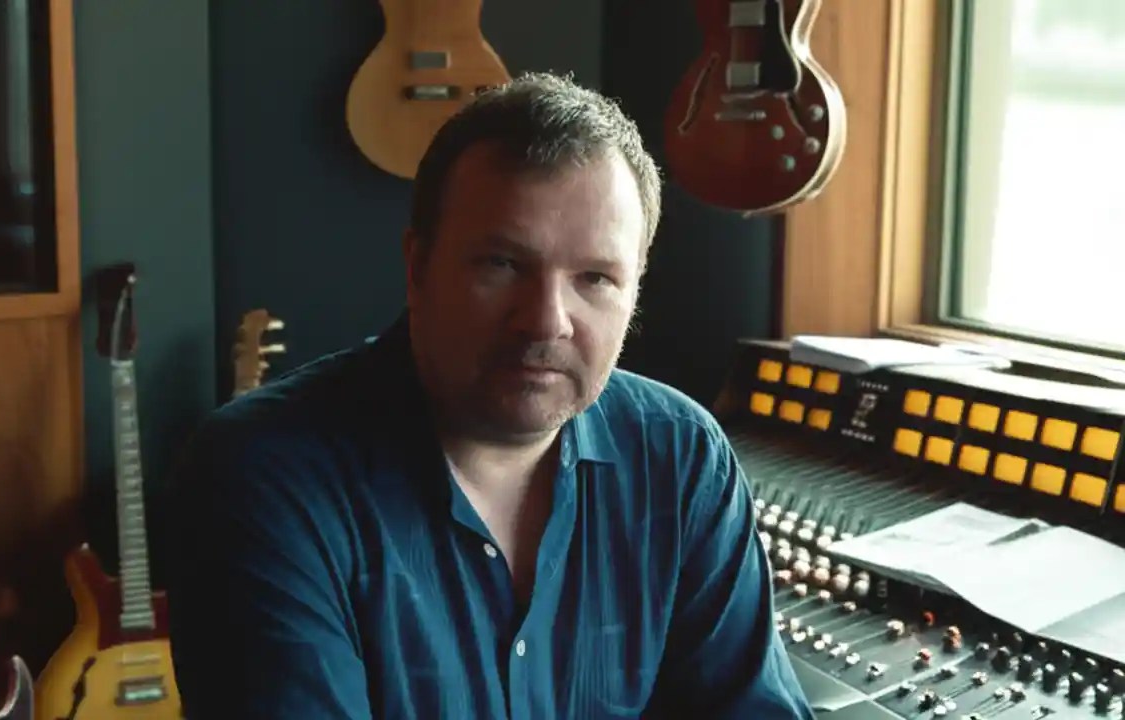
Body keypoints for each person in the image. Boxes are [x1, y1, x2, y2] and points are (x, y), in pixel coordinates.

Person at [166, 71, 813, 719]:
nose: (546, 320)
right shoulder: (263, 474)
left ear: (635, 288)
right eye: (502, 265)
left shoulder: (681, 454)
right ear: (418, 267)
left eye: (594, 278)